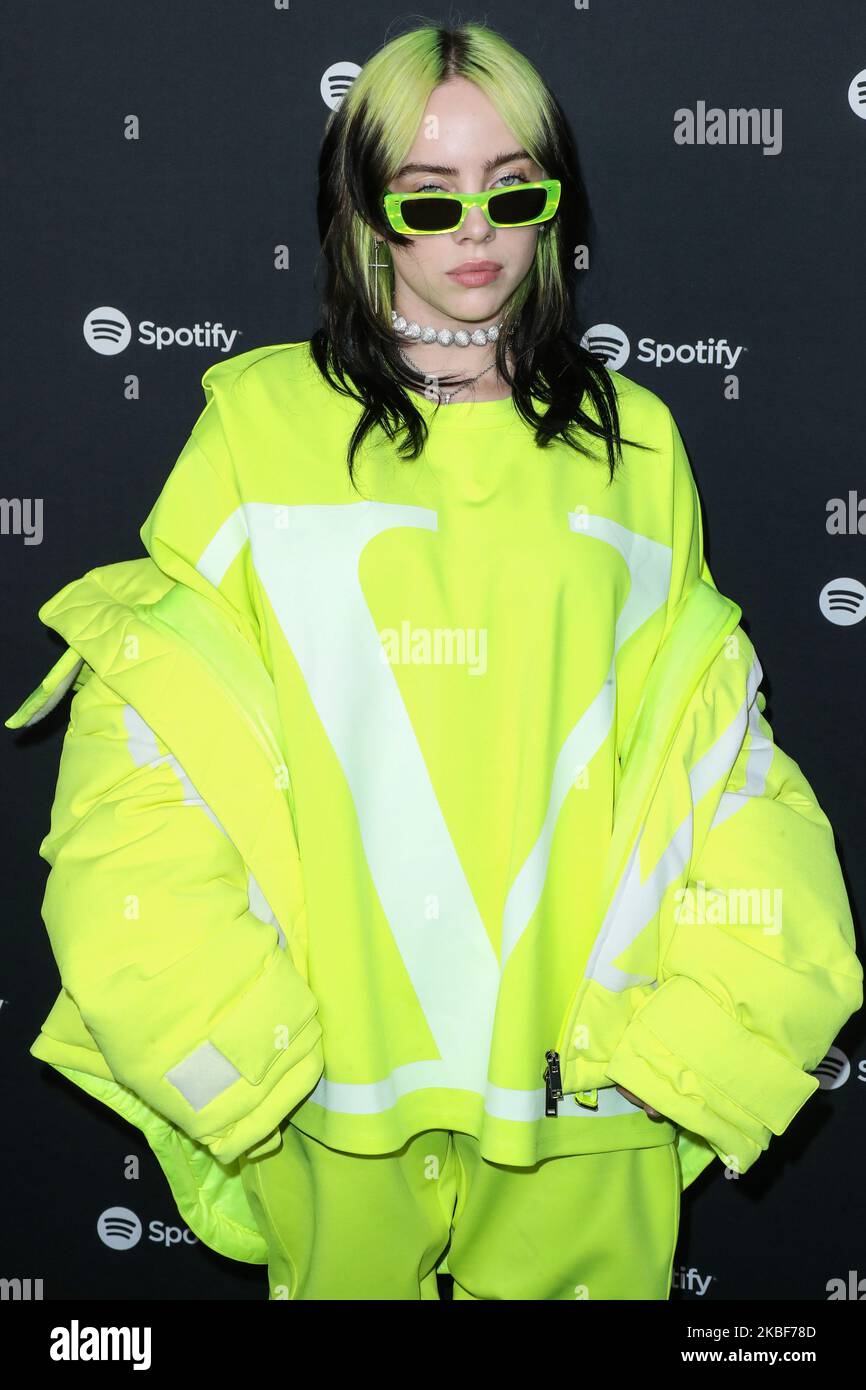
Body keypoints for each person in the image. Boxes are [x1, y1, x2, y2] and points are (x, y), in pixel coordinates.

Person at [8, 21, 862, 1302]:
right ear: (364, 212)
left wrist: (699, 1030)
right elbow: (148, 747)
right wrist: (238, 1041)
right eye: (428, 197)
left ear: (553, 203)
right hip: (331, 1087)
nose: (477, 232)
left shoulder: (636, 443)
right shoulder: (255, 429)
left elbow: (708, 750)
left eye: (514, 190)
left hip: (578, 1086)